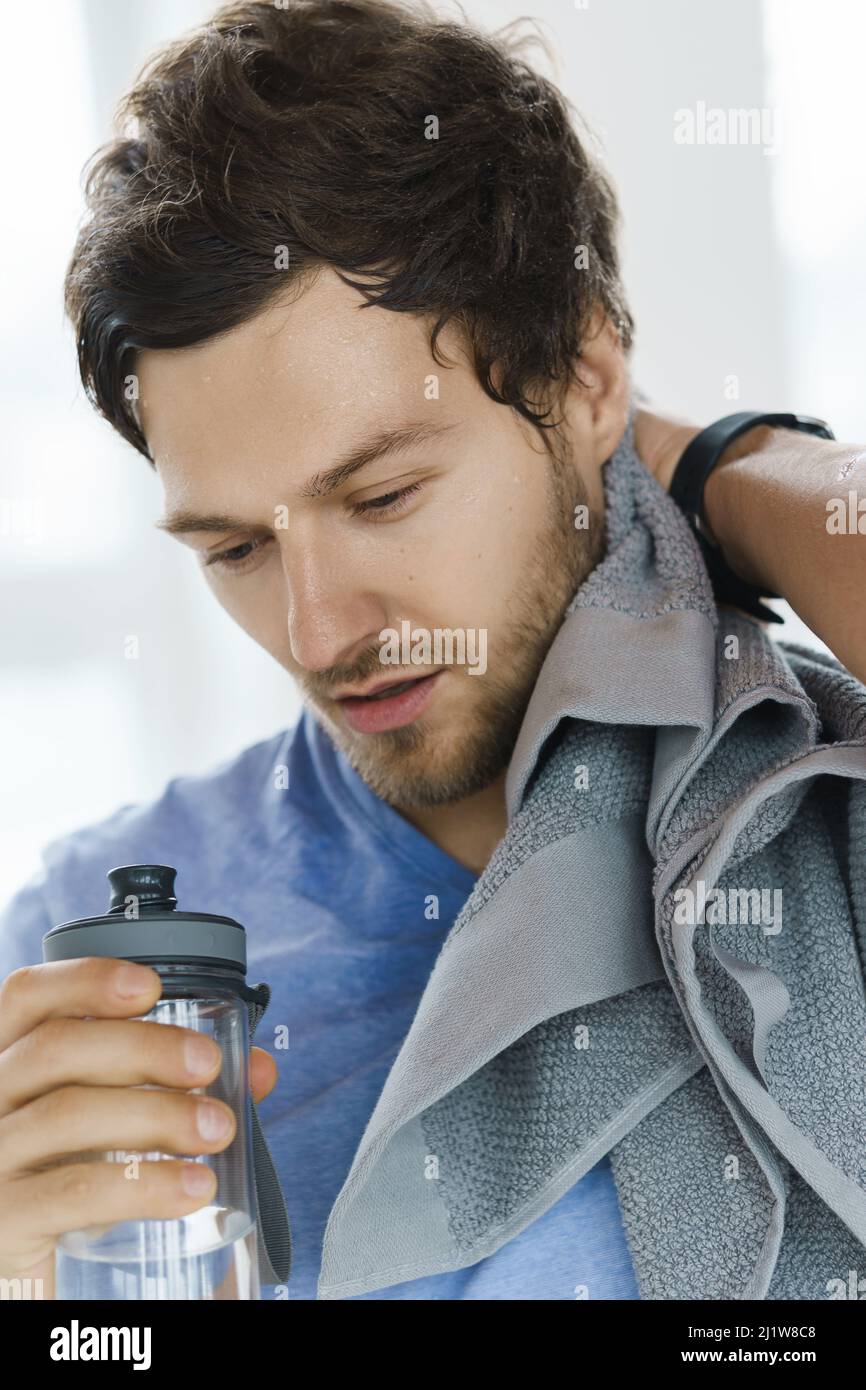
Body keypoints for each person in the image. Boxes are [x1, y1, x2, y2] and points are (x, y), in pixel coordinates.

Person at [0, 0, 863, 1301]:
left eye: (384, 496)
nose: (317, 631)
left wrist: (710, 463)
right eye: (234, 547)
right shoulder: (98, 976)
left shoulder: (813, 812)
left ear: (583, 381)